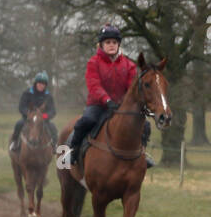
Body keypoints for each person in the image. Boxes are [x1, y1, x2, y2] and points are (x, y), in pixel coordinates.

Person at [66, 24, 153, 166]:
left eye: (114, 42)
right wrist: (106, 100)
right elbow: (94, 85)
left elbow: (131, 88)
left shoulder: (129, 65)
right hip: (98, 105)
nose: (111, 45)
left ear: (118, 44)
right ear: (101, 45)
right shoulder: (93, 63)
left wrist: (126, 103)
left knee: (146, 125)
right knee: (86, 121)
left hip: (121, 106)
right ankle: (73, 151)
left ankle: (142, 153)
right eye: (108, 42)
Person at [9, 72, 57, 152]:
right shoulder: (27, 93)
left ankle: (54, 145)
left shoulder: (48, 96)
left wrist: (45, 116)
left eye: (43, 84)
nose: (40, 85)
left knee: (53, 127)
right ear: (36, 83)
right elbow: (21, 107)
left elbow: (53, 111)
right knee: (18, 124)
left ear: (45, 85)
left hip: (43, 120)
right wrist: (28, 113)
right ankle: (15, 142)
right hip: (28, 119)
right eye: (39, 83)